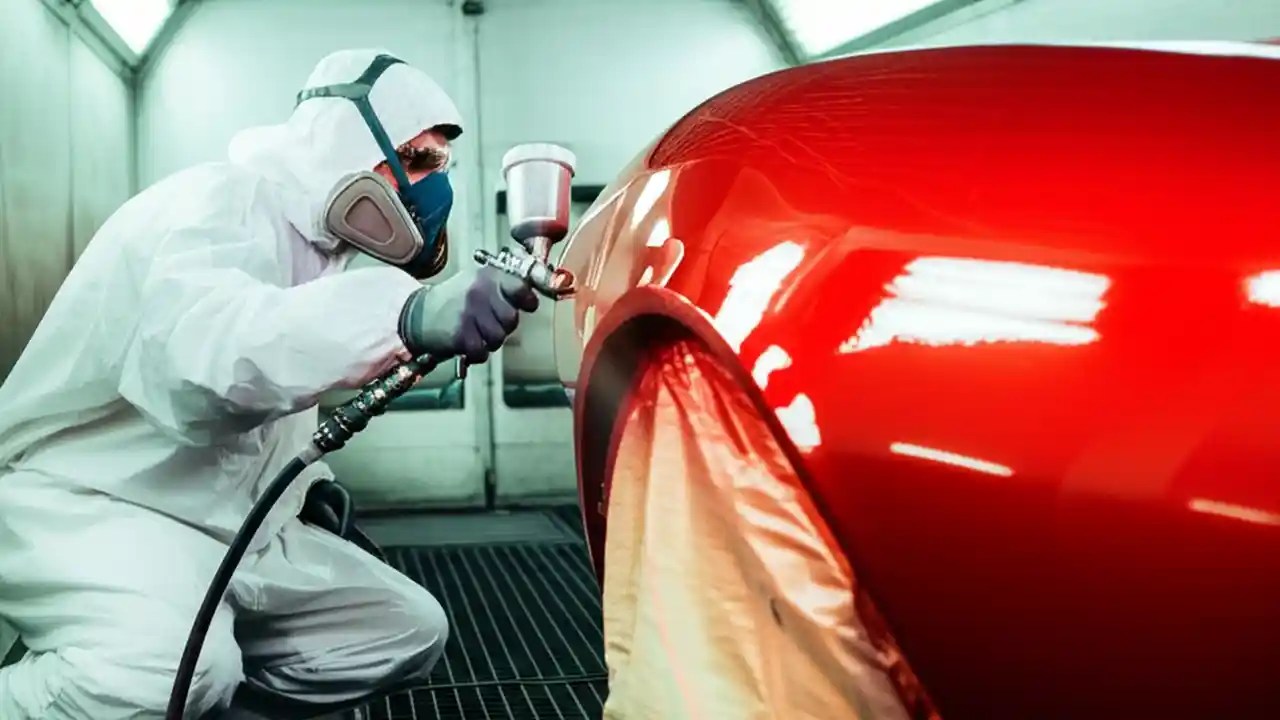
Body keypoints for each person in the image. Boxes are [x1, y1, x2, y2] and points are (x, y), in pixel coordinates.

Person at [0, 48, 537, 719]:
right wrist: (405, 313)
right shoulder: (214, 203)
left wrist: (311, 491)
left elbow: (266, 412)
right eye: (419, 159)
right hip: (95, 506)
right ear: (345, 139)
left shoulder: (320, 250)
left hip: (226, 527)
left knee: (401, 630)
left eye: (441, 168)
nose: (433, 187)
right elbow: (210, 359)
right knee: (174, 671)